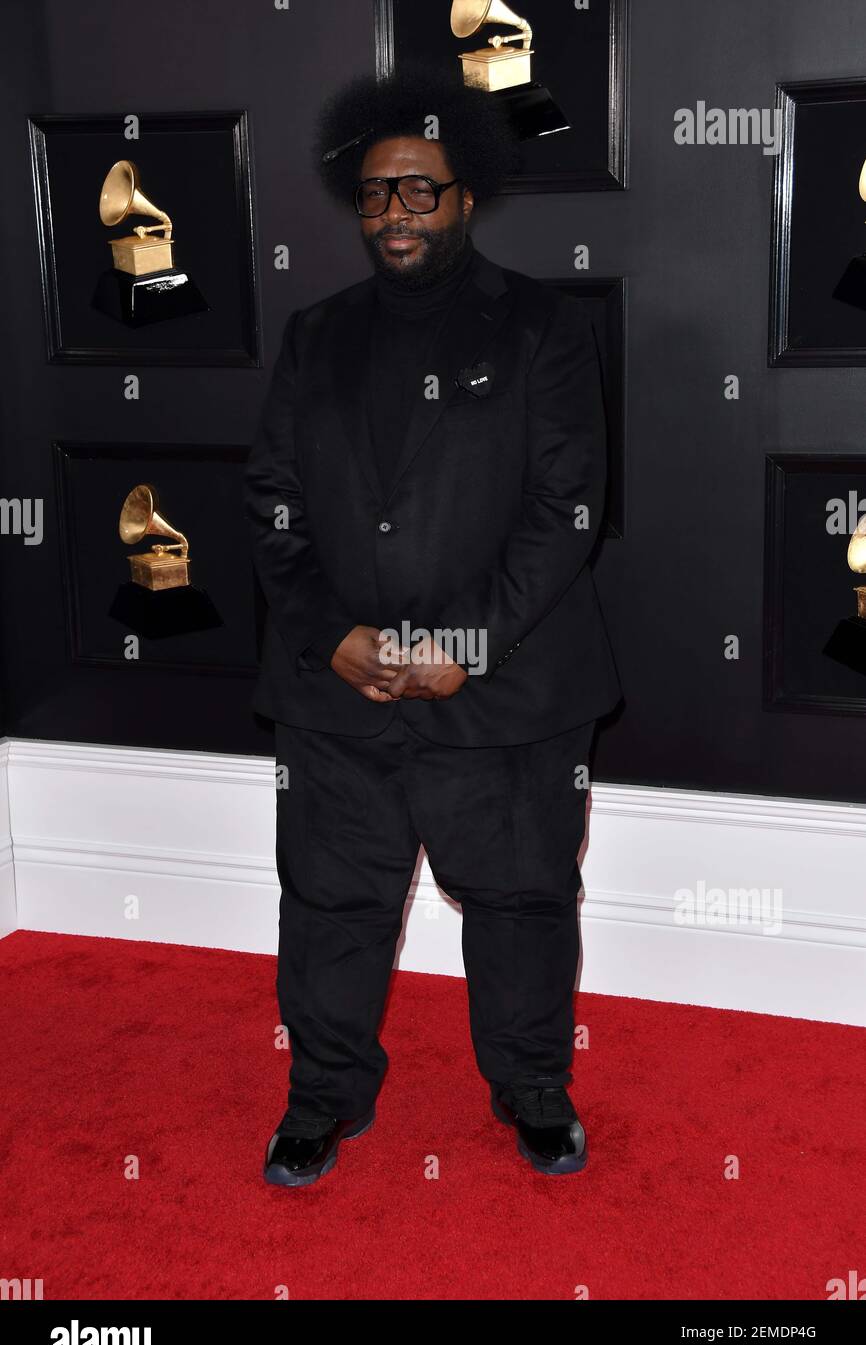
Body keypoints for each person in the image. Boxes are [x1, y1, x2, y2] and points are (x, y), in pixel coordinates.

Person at [243, 66, 622, 1188]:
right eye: (372, 196)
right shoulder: (316, 335)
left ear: (464, 197)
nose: (392, 214)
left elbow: (567, 512)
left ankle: (532, 1091)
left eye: (417, 192)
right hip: (335, 693)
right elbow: (270, 502)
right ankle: (322, 1097)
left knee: (519, 901)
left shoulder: (545, 328)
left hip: (505, 695)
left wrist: (461, 646)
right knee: (329, 903)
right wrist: (330, 634)